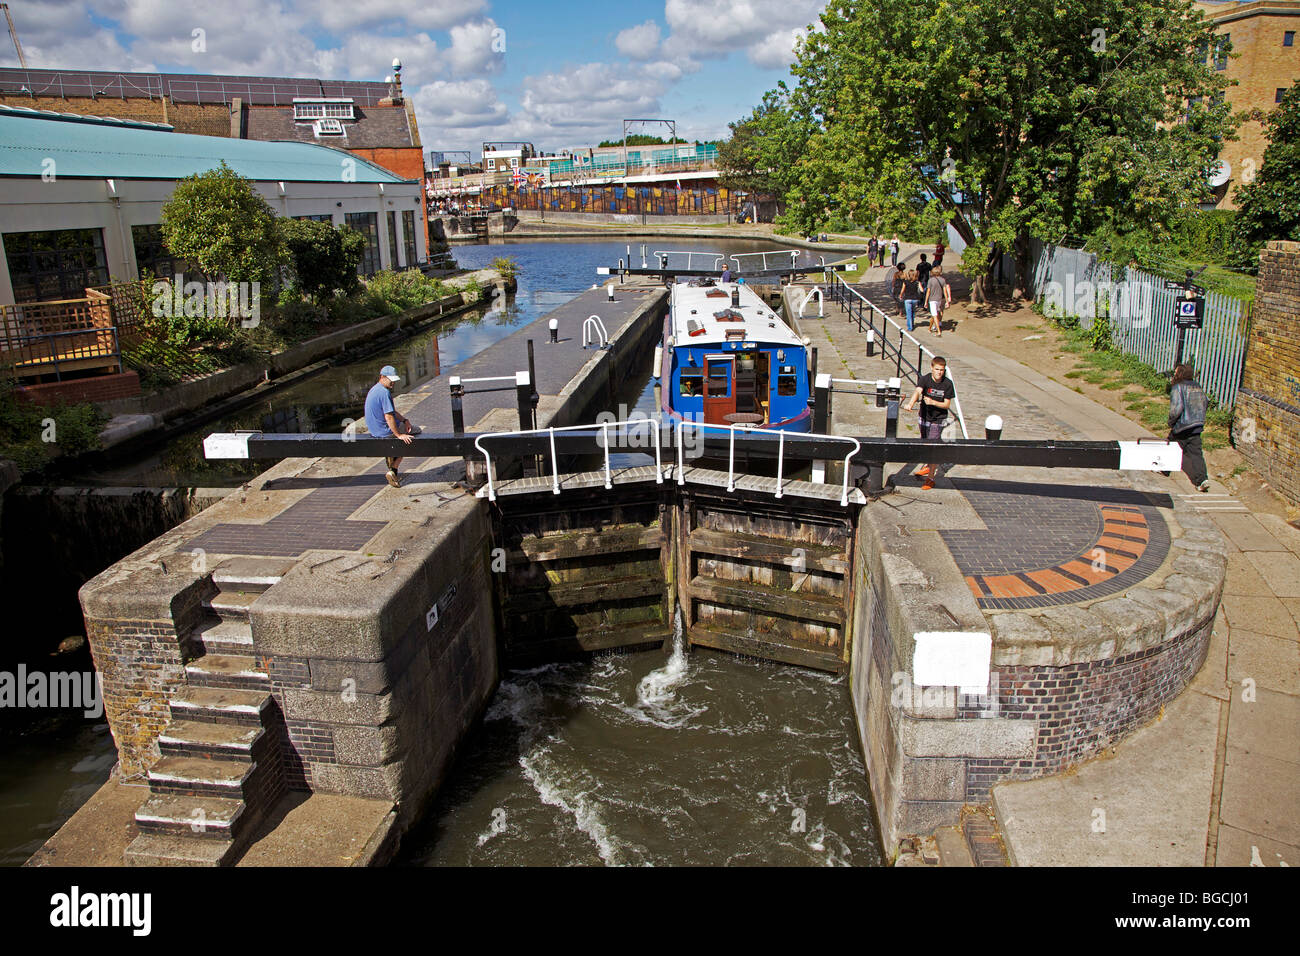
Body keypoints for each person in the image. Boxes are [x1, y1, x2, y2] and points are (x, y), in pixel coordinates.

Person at [364, 364, 421, 488]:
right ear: (382, 377)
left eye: (394, 380)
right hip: (384, 431)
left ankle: (392, 457)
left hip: (375, 430)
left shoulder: (374, 389)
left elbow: (392, 412)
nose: (393, 383)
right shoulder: (384, 393)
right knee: (413, 435)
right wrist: (399, 435)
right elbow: (389, 417)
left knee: (405, 431)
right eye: (391, 380)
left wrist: (405, 420)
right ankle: (393, 468)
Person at [903, 356, 955, 490]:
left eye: (942, 370)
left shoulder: (947, 384)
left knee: (933, 447)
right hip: (924, 416)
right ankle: (928, 466)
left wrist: (933, 402)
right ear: (932, 368)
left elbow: (947, 404)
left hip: (938, 419)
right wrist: (910, 403)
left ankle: (931, 478)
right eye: (937, 369)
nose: (939, 372)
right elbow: (918, 391)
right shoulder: (925, 379)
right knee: (925, 443)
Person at [1168, 364, 1210, 492]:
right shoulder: (1197, 386)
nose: (1174, 374)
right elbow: (1206, 401)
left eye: (1175, 372)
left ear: (1179, 374)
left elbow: (1176, 409)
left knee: (1171, 446)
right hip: (1196, 424)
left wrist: (1171, 422)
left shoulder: (1177, 387)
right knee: (1196, 453)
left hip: (1182, 425)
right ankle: (1202, 480)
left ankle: (1164, 469)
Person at [924, 266, 951, 335]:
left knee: (934, 315)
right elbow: (945, 291)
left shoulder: (930, 280)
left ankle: (938, 331)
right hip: (939, 299)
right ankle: (929, 328)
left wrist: (926, 301)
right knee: (934, 314)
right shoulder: (942, 280)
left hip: (932, 300)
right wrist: (947, 301)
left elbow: (928, 291)